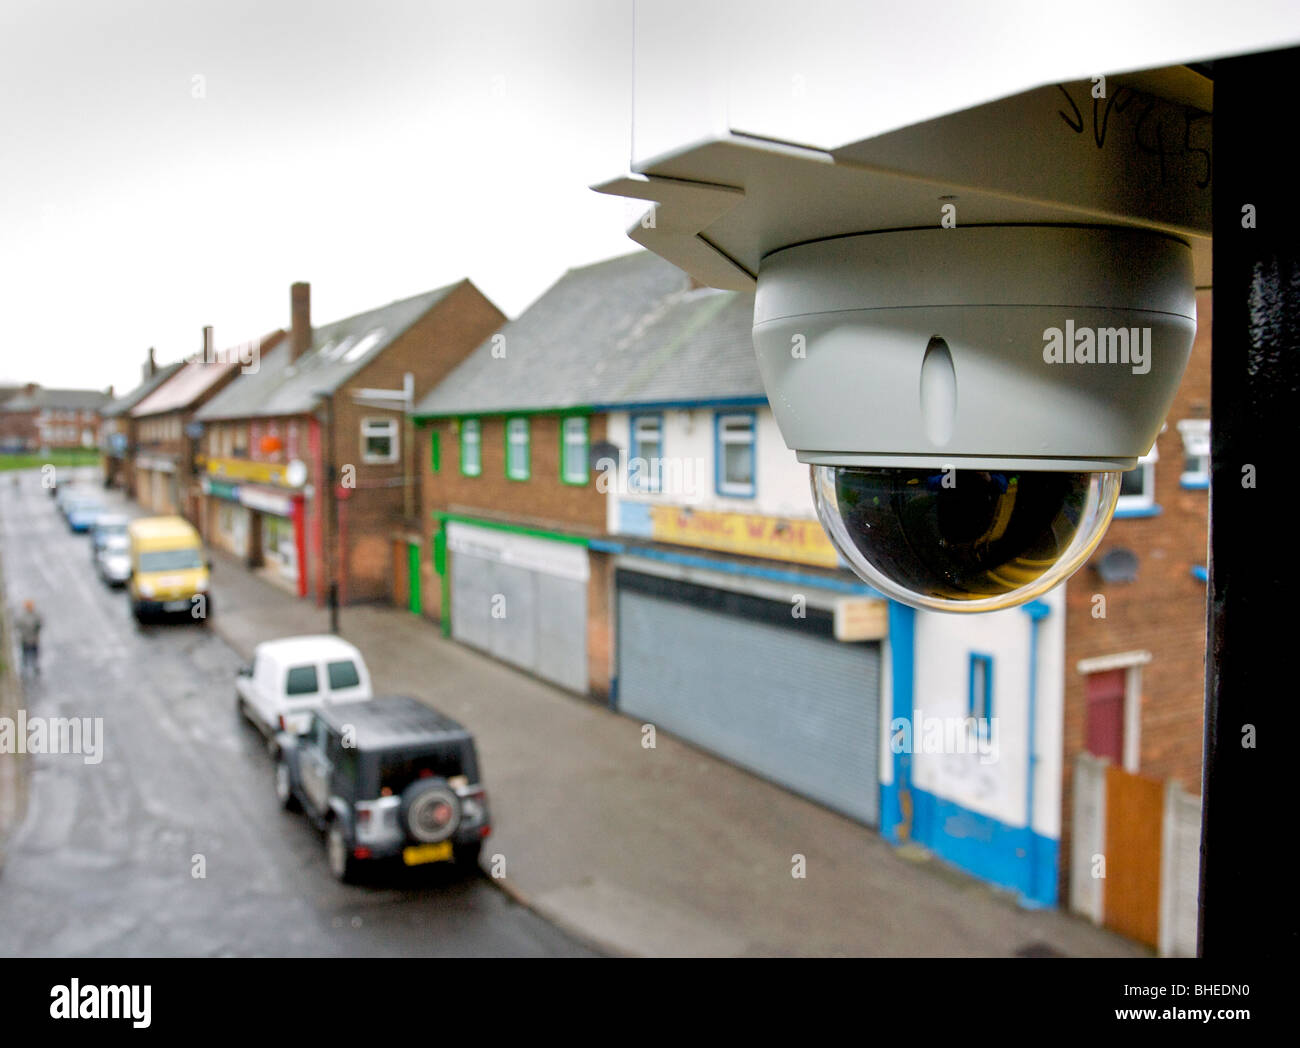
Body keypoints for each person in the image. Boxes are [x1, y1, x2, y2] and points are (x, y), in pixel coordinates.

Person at [15, 599, 41, 678]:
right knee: (25, 655)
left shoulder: (36, 615)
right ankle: (24, 669)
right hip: (25, 639)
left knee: (34, 654)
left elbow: (40, 625)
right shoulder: (22, 617)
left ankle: (35, 667)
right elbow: (17, 626)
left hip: (34, 639)